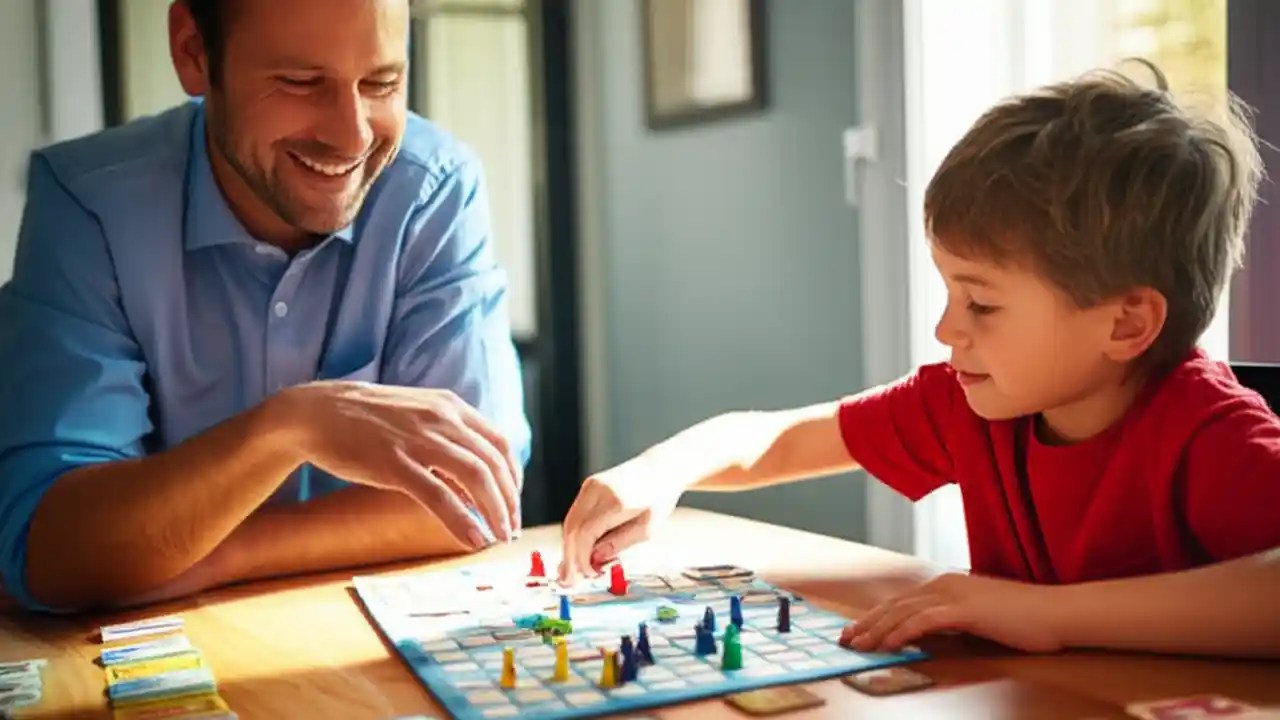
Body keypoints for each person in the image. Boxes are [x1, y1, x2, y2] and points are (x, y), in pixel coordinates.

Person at [558, 66, 1280, 658]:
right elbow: (777, 439)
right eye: (948, 293)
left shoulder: (1207, 430)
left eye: (982, 305)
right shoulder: (970, 401)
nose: (945, 329)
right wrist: (660, 474)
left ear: (1126, 323)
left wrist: (1049, 615)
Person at [0, 0, 530, 613]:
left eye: (381, 83)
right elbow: (52, 548)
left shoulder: (434, 187)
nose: (352, 136)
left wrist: (220, 555)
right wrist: (293, 426)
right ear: (194, 52)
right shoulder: (88, 204)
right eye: (301, 83)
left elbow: (473, 496)